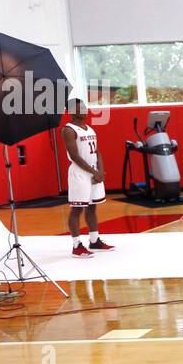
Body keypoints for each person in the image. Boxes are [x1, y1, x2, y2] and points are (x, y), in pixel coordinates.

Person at [63, 98, 115, 257]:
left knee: (92, 206)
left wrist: (101, 170)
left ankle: (94, 240)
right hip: (79, 173)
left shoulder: (90, 129)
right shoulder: (68, 130)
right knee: (77, 208)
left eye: (84, 107)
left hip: (93, 172)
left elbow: (97, 151)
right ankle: (77, 245)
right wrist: (94, 173)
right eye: (80, 108)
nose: (84, 111)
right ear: (72, 111)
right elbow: (74, 156)